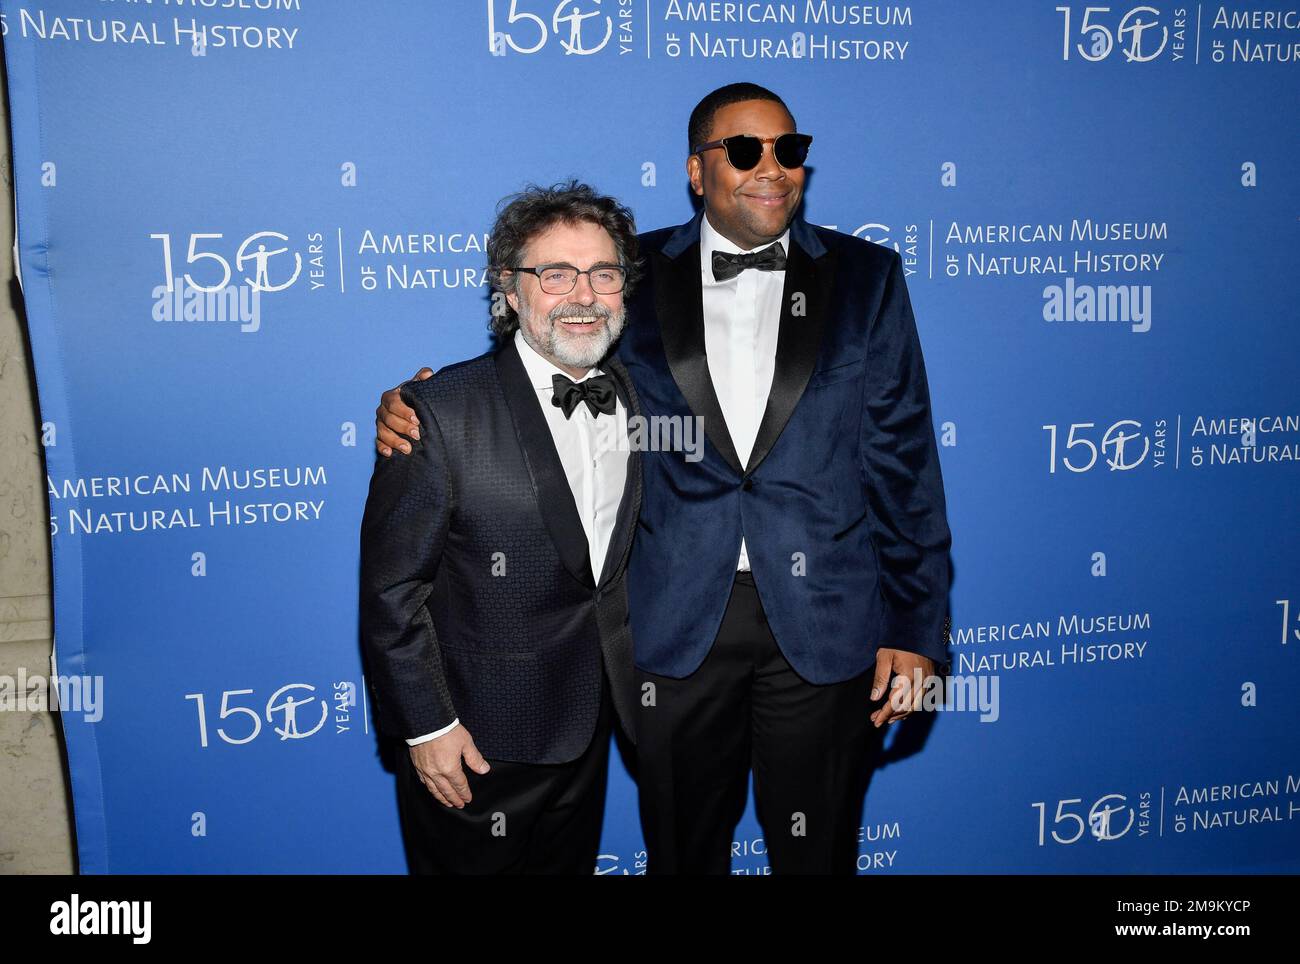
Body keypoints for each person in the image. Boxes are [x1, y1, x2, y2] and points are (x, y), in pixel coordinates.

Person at [375, 82, 953, 874]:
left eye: (790, 150)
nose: (772, 168)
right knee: (683, 855)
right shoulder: (625, 274)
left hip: (827, 625)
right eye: (745, 150)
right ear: (696, 169)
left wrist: (919, 634)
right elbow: (539, 363)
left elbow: (905, 463)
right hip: (672, 630)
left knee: (818, 857)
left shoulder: (869, 277)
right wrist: (419, 403)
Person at [360, 181, 643, 874]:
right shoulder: (438, 412)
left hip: (594, 723)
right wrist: (427, 726)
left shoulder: (644, 395)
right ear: (510, 292)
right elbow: (391, 592)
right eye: (554, 273)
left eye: (602, 273)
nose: (582, 293)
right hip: (475, 742)